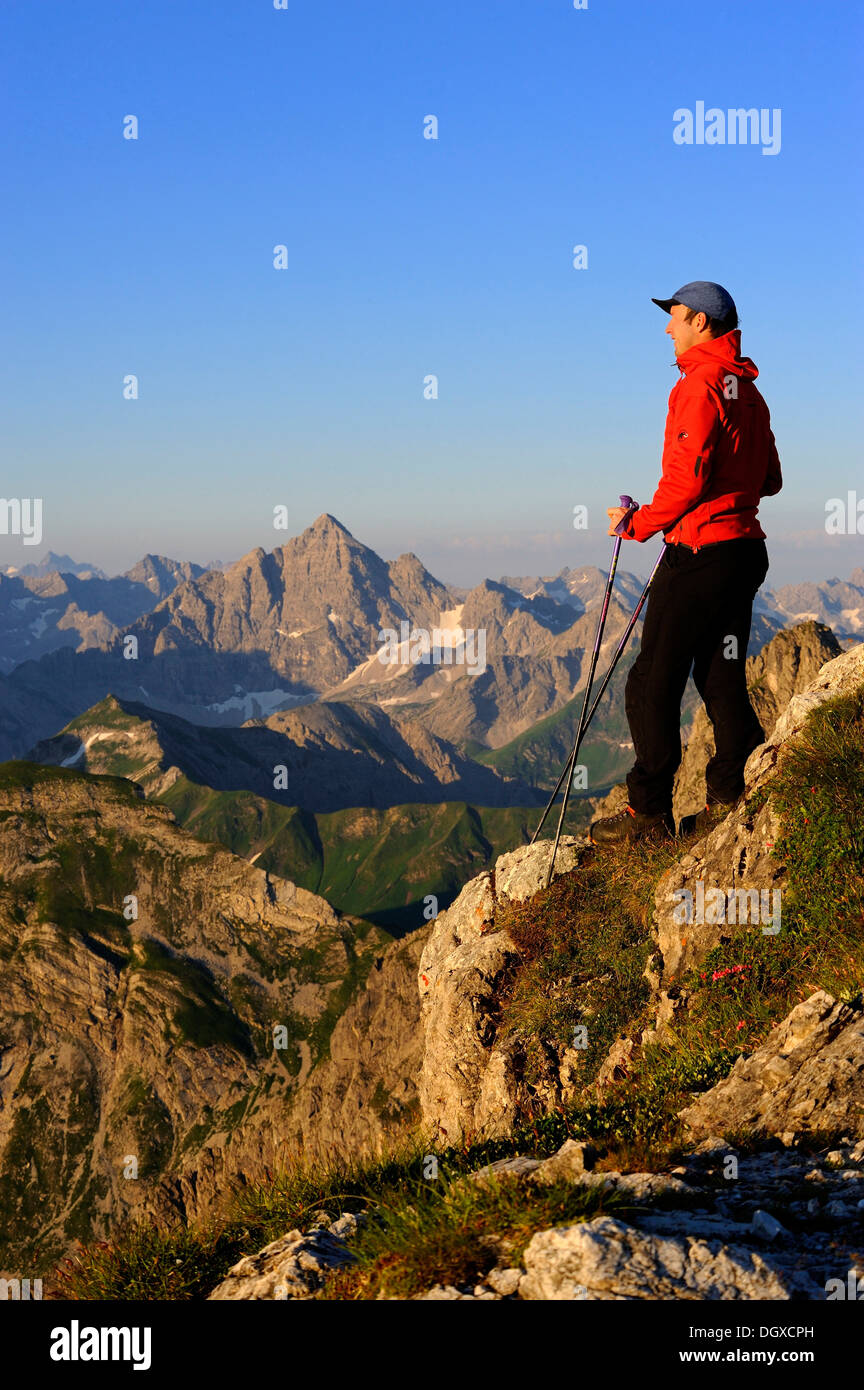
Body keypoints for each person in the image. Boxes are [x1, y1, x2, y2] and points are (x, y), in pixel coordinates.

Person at [590, 280, 782, 847]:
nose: (668, 328)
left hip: (699, 555)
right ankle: (731, 793)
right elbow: (770, 479)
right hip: (744, 551)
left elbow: (686, 480)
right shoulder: (748, 392)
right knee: (720, 674)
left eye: (675, 318)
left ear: (701, 321)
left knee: (651, 681)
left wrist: (637, 522)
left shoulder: (697, 386)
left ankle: (647, 818)